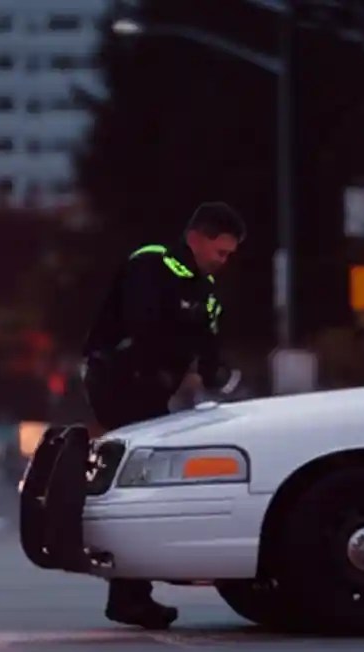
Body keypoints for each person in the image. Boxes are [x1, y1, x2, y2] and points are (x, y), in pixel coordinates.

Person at [79, 201, 244, 629]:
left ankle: (130, 592)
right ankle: (129, 594)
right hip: (118, 379)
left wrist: (219, 375)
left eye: (229, 255)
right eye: (219, 252)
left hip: (152, 388)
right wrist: (182, 340)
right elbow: (145, 328)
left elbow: (208, 348)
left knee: (145, 477)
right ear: (196, 239)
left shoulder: (204, 290)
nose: (222, 262)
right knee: (141, 477)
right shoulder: (153, 265)